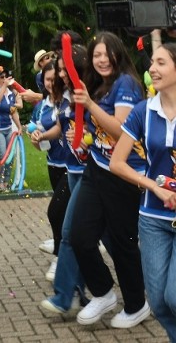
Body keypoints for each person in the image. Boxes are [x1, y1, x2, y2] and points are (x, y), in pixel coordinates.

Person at [70, 31, 150, 328]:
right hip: (97, 167)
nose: (102, 60)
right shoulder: (100, 86)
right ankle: (103, 292)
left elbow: (121, 131)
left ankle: (136, 304)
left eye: (107, 54)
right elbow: (102, 131)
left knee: (122, 243)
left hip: (124, 175)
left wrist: (89, 106)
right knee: (79, 236)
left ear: (119, 54)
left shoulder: (126, 83)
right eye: (96, 55)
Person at [111, 43, 176, 340]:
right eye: (152, 63)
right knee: (160, 303)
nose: (152, 68)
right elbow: (117, 163)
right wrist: (153, 187)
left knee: (174, 297)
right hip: (152, 217)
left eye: (161, 63)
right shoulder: (142, 112)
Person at [39, 43, 91, 316]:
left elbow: (105, 128)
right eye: (58, 70)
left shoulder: (87, 93)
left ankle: (64, 294)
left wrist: (88, 139)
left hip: (89, 173)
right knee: (86, 236)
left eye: (63, 68)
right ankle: (79, 291)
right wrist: (43, 136)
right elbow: (63, 125)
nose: (59, 74)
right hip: (72, 170)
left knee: (69, 229)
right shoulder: (66, 95)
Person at [28, 60, 69, 281]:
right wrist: (35, 138)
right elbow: (38, 143)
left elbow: (62, 128)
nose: (52, 84)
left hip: (72, 166)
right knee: (61, 214)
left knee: (55, 212)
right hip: (53, 164)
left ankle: (60, 257)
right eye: (48, 80)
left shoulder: (67, 102)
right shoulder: (41, 106)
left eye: (55, 79)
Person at [0, 69, 22, 191]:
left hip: (8, 128)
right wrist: (4, 87)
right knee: (2, 155)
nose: (4, 80)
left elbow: (13, 111)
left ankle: (7, 181)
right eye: (2, 77)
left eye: (6, 77)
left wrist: (19, 126)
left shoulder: (10, 93)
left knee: (10, 156)